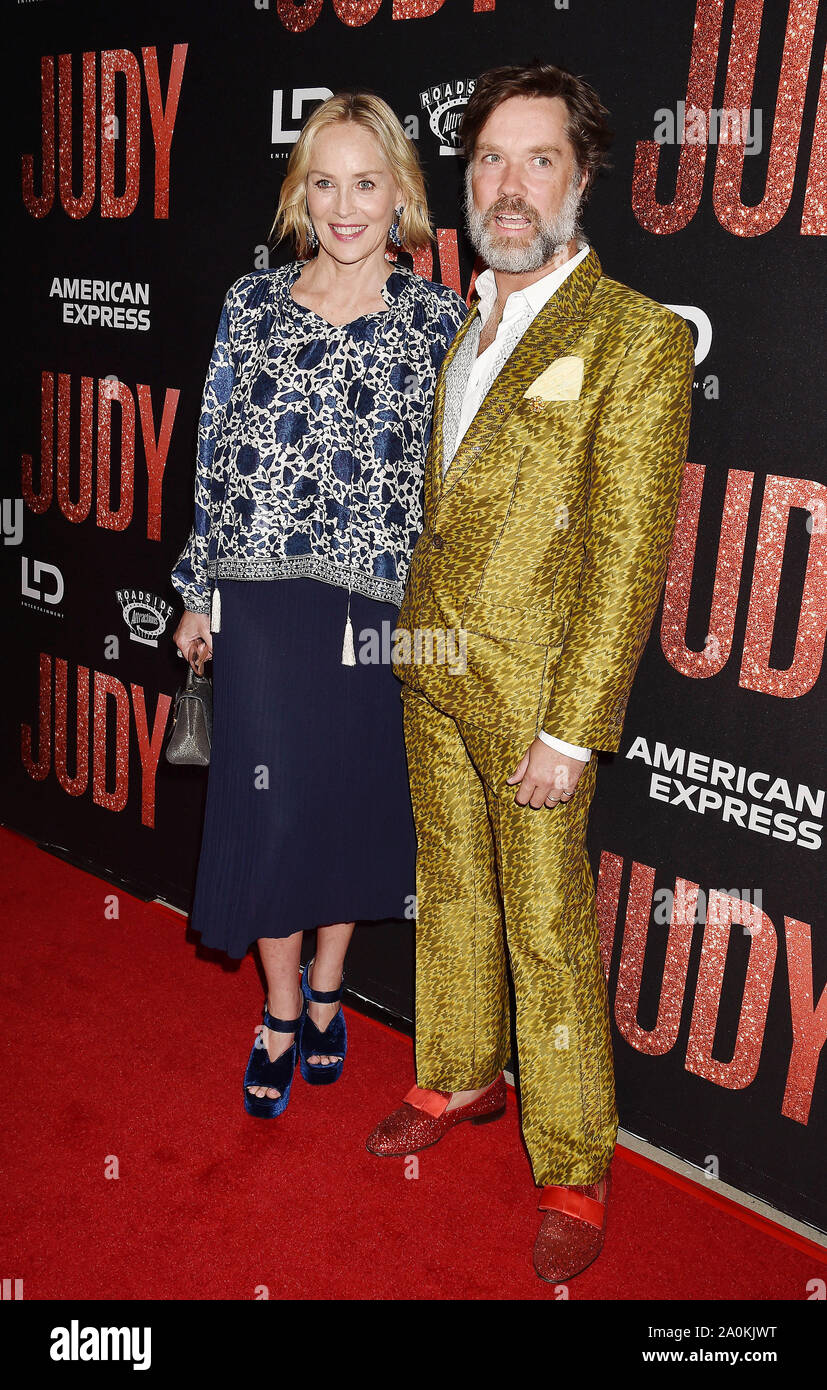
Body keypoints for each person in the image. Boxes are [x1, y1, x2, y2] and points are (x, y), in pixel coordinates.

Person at [366, 63, 695, 1282]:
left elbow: (625, 551)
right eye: (489, 161)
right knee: (446, 881)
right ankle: (456, 1073)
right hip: (432, 657)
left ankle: (571, 1161)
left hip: (536, 698)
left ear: (581, 175)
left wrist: (573, 728)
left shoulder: (635, 338)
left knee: (548, 926)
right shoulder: (465, 317)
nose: (509, 186)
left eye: (536, 159)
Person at [170, 92, 468, 1119]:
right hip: (256, 608)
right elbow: (209, 451)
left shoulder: (441, 321)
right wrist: (197, 587)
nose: (345, 207)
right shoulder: (249, 303)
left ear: (400, 196)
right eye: (325, 182)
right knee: (268, 813)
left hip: (374, 613)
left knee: (344, 808)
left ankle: (331, 988)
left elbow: (455, 490)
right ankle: (282, 1008)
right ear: (301, 193)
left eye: (366, 183)